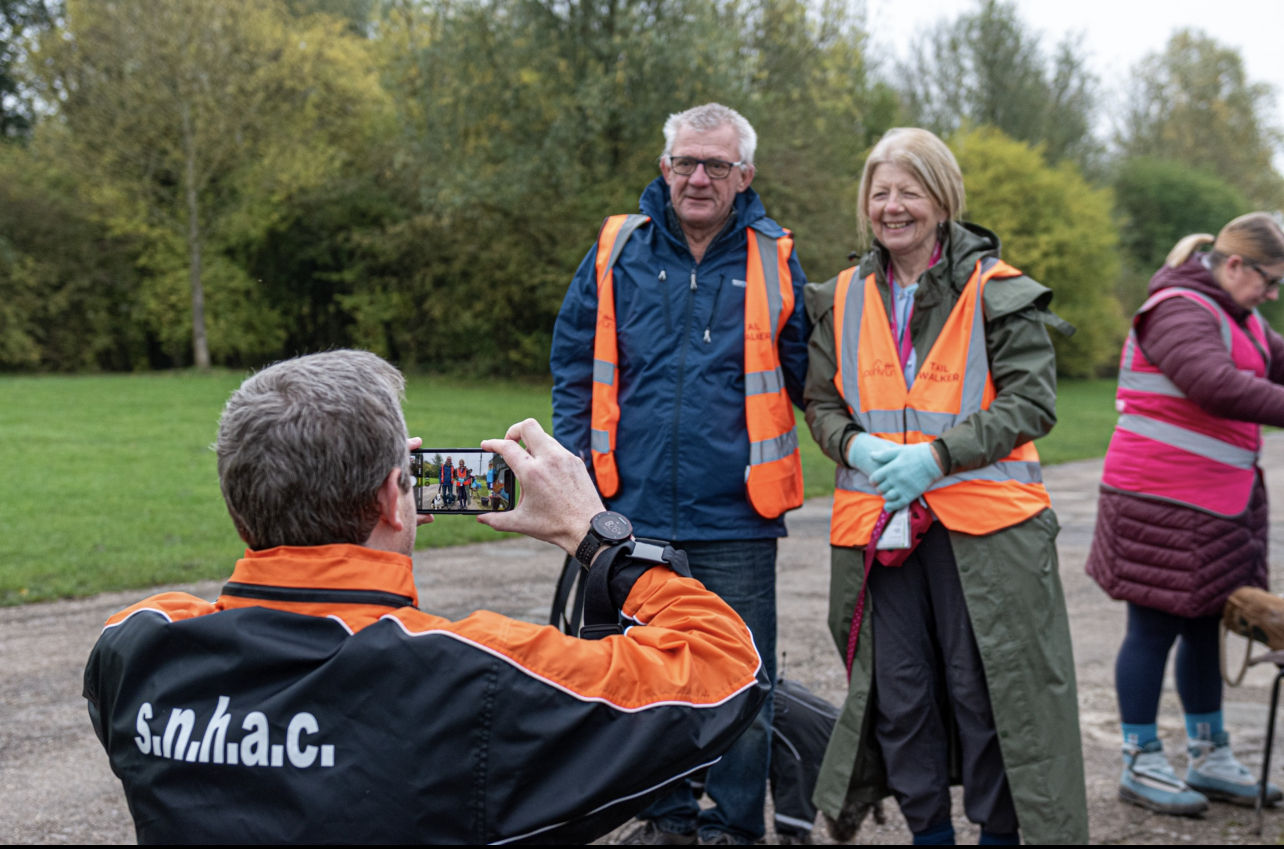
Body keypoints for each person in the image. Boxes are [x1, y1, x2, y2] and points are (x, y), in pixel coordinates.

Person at [82, 350, 769, 844]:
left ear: (237, 507)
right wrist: (597, 540)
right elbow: (727, 669)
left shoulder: (136, 646)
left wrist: (380, 516)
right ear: (392, 494)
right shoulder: (475, 672)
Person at [802, 128, 1088, 845]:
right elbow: (821, 401)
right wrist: (854, 441)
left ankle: (998, 833)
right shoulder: (840, 296)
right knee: (899, 697)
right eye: (880, 191)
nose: (892, 206)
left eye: (909, 190)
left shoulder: (998, 291)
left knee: (984, 690)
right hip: (880, 531)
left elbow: (1032, 402)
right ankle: (928, 832)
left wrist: (937, 456)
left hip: (983, 530)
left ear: (943, 199)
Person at [551, 102, 809, 845]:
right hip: (628, 510)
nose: (699, 177)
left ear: (744, 176)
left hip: (737, 513)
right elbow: (573, 359)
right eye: (685, 163)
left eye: (716, 165)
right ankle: (665, 820)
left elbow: (808, 377)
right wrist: (577, 468)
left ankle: (734, 828)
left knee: (745, 679)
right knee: (642, 675)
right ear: (663, 168)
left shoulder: (775, 256)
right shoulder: (615, 247)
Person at [1087, 213, 1284, 815]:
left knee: (1206, 624)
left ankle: (1208, 754)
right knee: (1152, 630)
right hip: (1158, 502)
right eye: (1270, 280)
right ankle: (1139, 760)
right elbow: (1213, 385)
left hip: (1214, 503)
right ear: (1234, 266)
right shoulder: (1177, 309)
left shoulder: (1240, 316)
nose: (1273, 294)